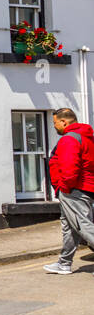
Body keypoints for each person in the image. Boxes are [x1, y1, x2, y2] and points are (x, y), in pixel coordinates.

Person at [45, 107, 94, 275]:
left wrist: (63, 188)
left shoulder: (69, 139)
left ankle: (64, 263)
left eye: (55, 122)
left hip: (74, 190)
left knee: (84, 226)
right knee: (69, 227)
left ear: (64, 122)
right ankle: (64, 263)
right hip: (81, 188)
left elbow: (69, 168)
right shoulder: (86, 137)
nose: (54, 126)